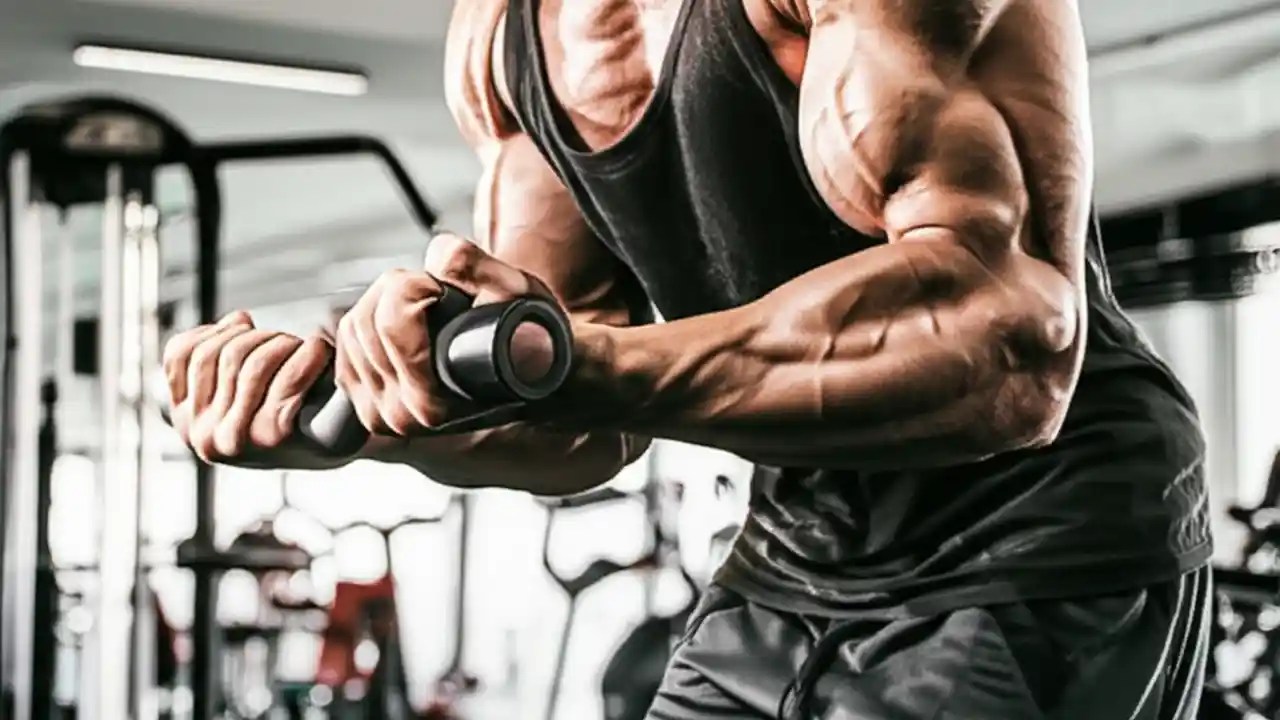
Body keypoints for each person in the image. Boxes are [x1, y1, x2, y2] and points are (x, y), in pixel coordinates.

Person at [163, 0, 1213, 716]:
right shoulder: (508, 33)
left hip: (1040, 537)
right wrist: (376, 417)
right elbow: (577, 416)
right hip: (797, 550)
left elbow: (1009, 337)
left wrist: (587, 366)